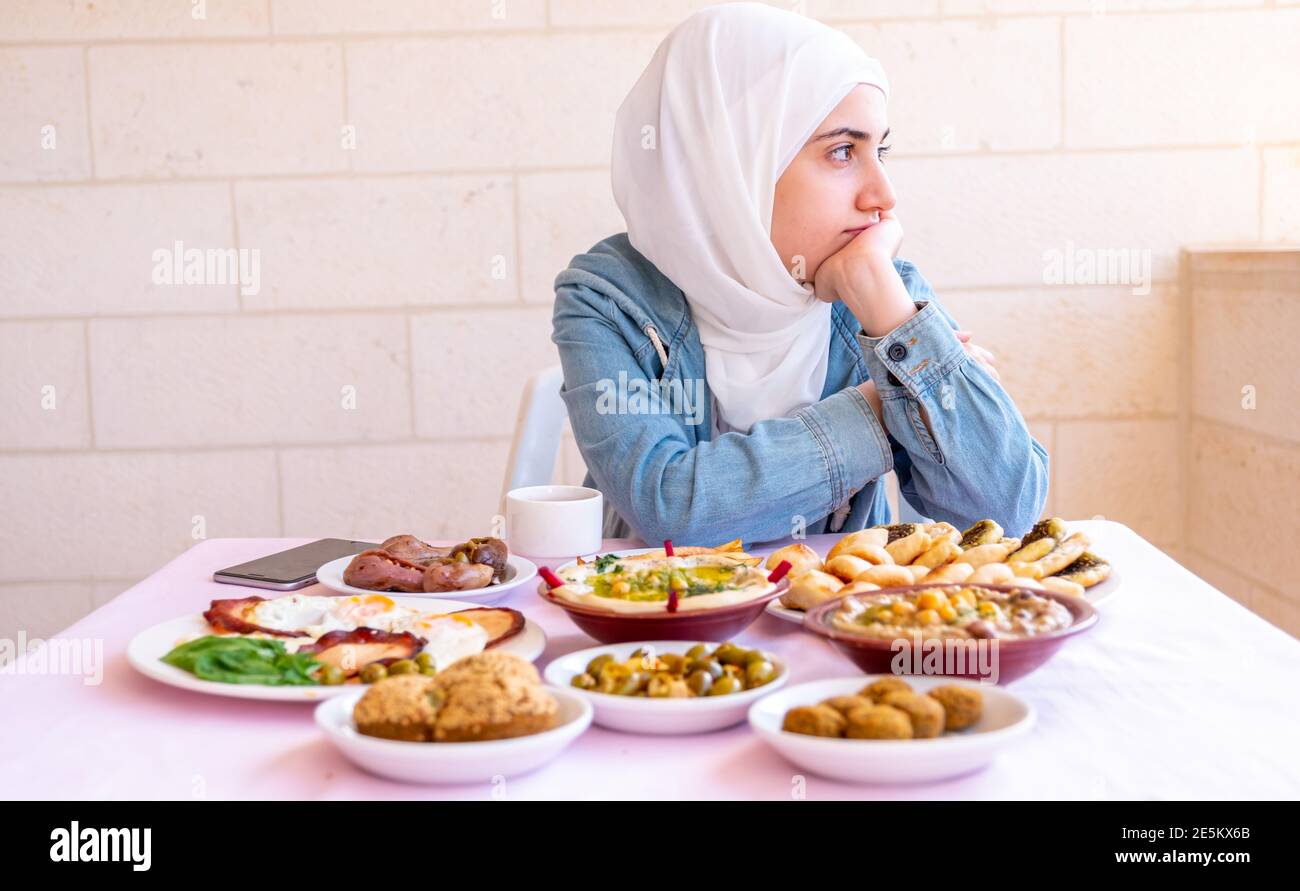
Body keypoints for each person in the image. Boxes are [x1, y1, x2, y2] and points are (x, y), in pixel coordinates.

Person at [551, 2, 1047, 545]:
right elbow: (673, 511)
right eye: (841, 151)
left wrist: (890, 312)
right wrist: (886, 407)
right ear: (733, 162)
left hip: (843, 620)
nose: (884, 194)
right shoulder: (607, 298)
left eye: (880, 151)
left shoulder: (877, 284)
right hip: (662, 619)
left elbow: (1007, 512)